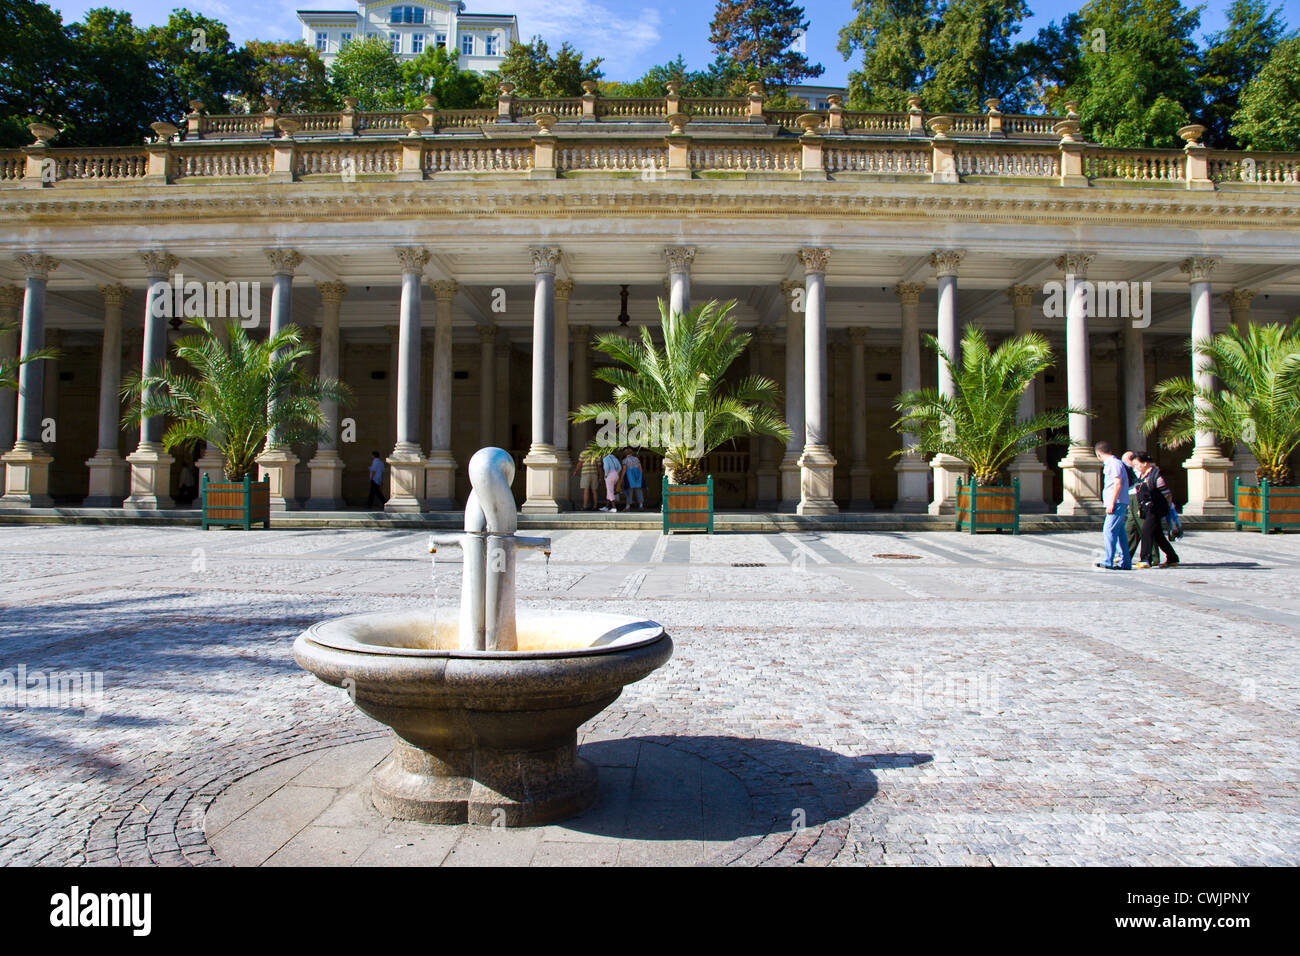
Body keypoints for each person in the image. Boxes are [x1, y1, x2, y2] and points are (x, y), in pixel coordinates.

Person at [1133, 452, 1180, 568]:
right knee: (1157, 534)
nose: (1136, 467)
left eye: (1137, 464)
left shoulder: (1155, 476)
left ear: (1145, 463)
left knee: (1146, 531)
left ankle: (1145, 559)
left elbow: (1167, 493)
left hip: (1155, 508)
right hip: (1147, 508)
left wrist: (1166, 507)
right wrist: (1140, 508)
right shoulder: (1142, 476)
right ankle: (1172, 558)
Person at [1094, 441, 1131, 570]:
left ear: (1099, 454)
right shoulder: (1113, 463)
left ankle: (1108, 560)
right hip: (1117, 501)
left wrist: (1112, 502)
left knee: (1108, 530)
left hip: (1117, 502)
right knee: (1120, 533)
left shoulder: (1114, 463)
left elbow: (1118, 484)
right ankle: (1125, 562)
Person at [1120, 451, 1149, 566]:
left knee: (1144, 528)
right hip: (1131, 498)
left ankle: (1151, 557)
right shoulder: (1130, 470)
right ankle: (1125, 555)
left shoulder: (1143, 471)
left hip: (1139, 499)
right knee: (1130, 528)